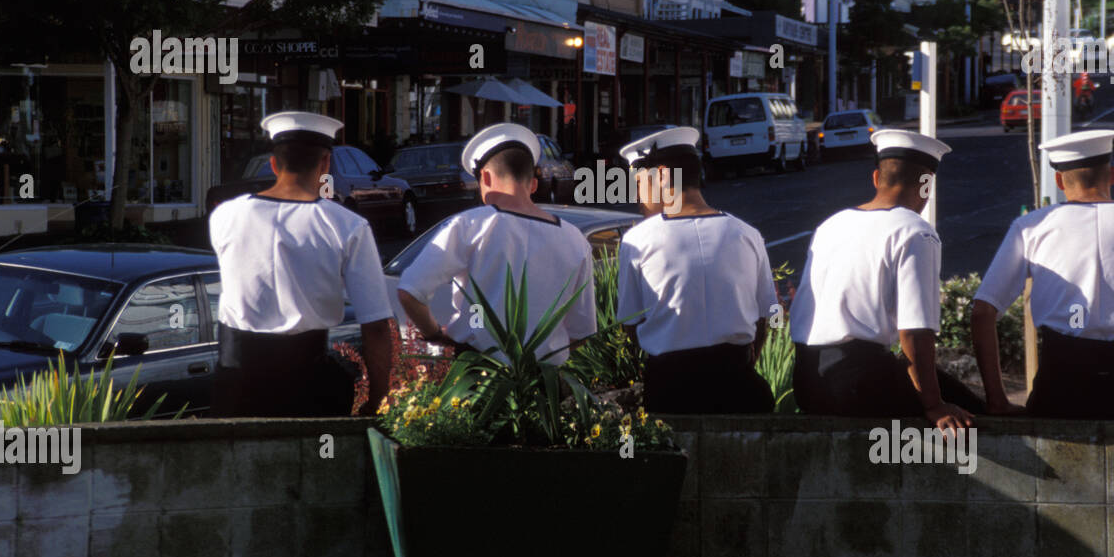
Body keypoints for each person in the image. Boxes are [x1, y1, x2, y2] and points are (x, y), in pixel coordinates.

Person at [971, 129, 1114, 447]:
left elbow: (983, 311)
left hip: (1061, 382)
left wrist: (996, 399)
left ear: (1060, 181)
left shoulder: (1030, 227)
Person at [790, 129, 985, 429]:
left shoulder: (831, 225)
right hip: (859, 386)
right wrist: (934, 405)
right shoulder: (915, 232)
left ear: (876, 179)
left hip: (808, 382)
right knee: (976, 418)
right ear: (926, 186)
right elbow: (915, 332)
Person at [209, 112, 393, 417]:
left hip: (237, 384)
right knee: (317, 462)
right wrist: (376, 400)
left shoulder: (225, 216)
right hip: (309, 387)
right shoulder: (348, 226)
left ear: (273, 163)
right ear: (326, 165)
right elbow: (375, 325)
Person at [397, 123, 595, 363]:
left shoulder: (470, 225)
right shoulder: (575, 238)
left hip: (478, 371)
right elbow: (582, 332)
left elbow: (410, 291)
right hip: (545, 381)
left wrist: (436, 334)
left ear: (486, 177)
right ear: (532, 184)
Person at [615, 127, 776, 413]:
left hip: (670, 391)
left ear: (662, 176)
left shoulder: (637, 240)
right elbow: (768, 316)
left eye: (639, 183)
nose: (637, 196)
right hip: (739, 387)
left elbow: (630, 324)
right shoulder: (747, 234)